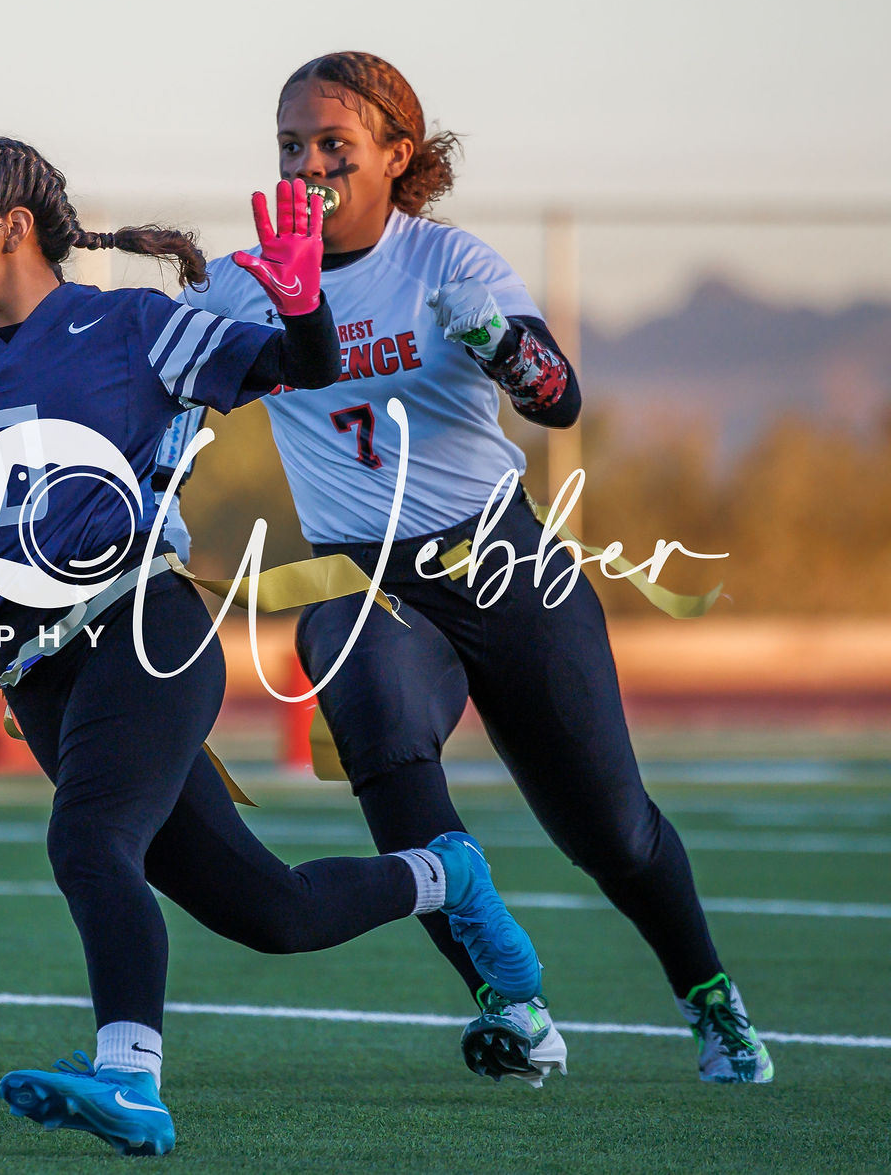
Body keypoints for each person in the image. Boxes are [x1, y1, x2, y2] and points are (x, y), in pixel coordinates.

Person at [0, 135, 543, 1155]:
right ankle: (445, 875)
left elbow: (296, 369)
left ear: (12, 227)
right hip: (32, 664)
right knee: (268, 910)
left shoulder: (131, 325)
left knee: (89, 841)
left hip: (143, 622)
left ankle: (129, 1077)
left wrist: (303, 306)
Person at [180, 52, 772, 1086]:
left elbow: (557, 400)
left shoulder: (447, 262)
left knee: (612, 835)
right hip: (363, 576)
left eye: (334, 144)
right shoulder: (247, 283)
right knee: (367, 701)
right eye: (289, 145)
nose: (308, 165)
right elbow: (163, 402)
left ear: (395, 155)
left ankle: (708, 996)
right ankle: (512, 999)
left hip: (504, 563)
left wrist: (504, 346)